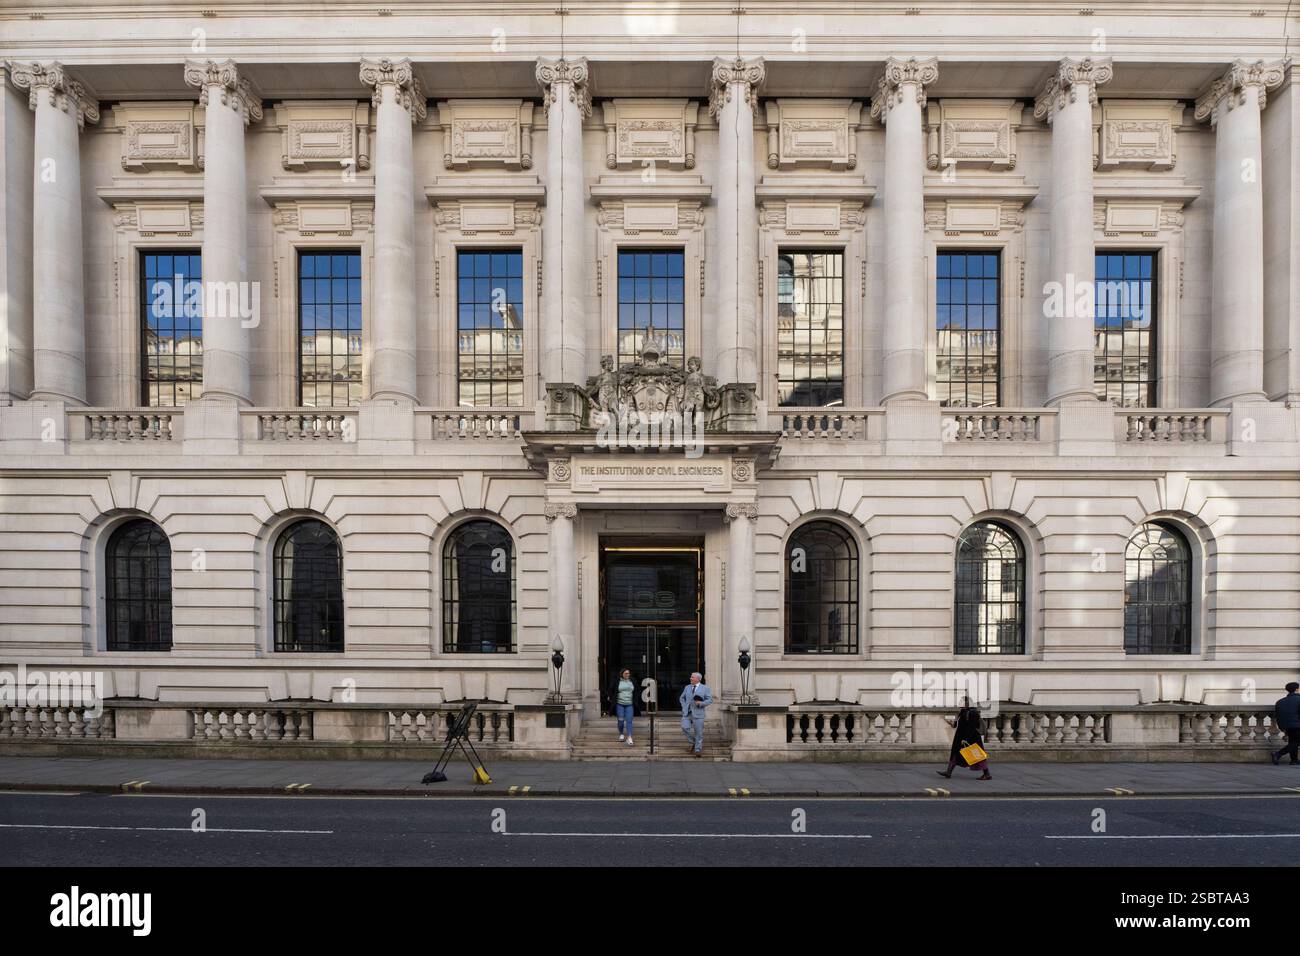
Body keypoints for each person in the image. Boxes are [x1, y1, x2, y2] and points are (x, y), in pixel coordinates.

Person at [938, 695, 992, 780]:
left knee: (977, 756)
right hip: (960, 737)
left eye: (961, 701)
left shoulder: (973, 713)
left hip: (971, 738)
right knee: (955, 754)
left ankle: (987, 774)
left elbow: (972, 727)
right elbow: (960, 724)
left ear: (967, 703)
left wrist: (965, 738)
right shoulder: (963, 711)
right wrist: (952, 723)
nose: (959, 703)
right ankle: (948, 772)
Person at [679, 672, 712, 757]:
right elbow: (681, 698)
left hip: (698, 713)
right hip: (687, 713)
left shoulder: (705, 688)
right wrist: (684, 707)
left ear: (698, 679)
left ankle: (698, 750)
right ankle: (693, 742)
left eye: (692, 677)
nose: (690, 678)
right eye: (691, 677)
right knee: (684, 727)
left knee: (699, 733)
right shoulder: (687, 687)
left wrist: (701, 703)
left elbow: (709, 700)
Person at [1271, 681, 1300, 765]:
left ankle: (1294, 760)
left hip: (1286, 726)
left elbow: (1278, 716)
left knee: (1293, 742)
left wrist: (1282, 728)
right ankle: (1278, 754)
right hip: (1297, 725)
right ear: (1297, 689)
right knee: (1296, 742)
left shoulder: (1280, 702)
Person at [610, 667, 637, 746]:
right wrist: (612, 699)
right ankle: (621, 733)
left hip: (629, 704)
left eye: (628, 673)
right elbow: (610, 690)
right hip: (620, 704)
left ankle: (629, 737)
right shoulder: (617, 681)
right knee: (621, 721)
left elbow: (637, 690)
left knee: (629, 720)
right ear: (622, 674)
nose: (628, 675)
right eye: (626, 673)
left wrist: (635, 699)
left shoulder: (632, 681)